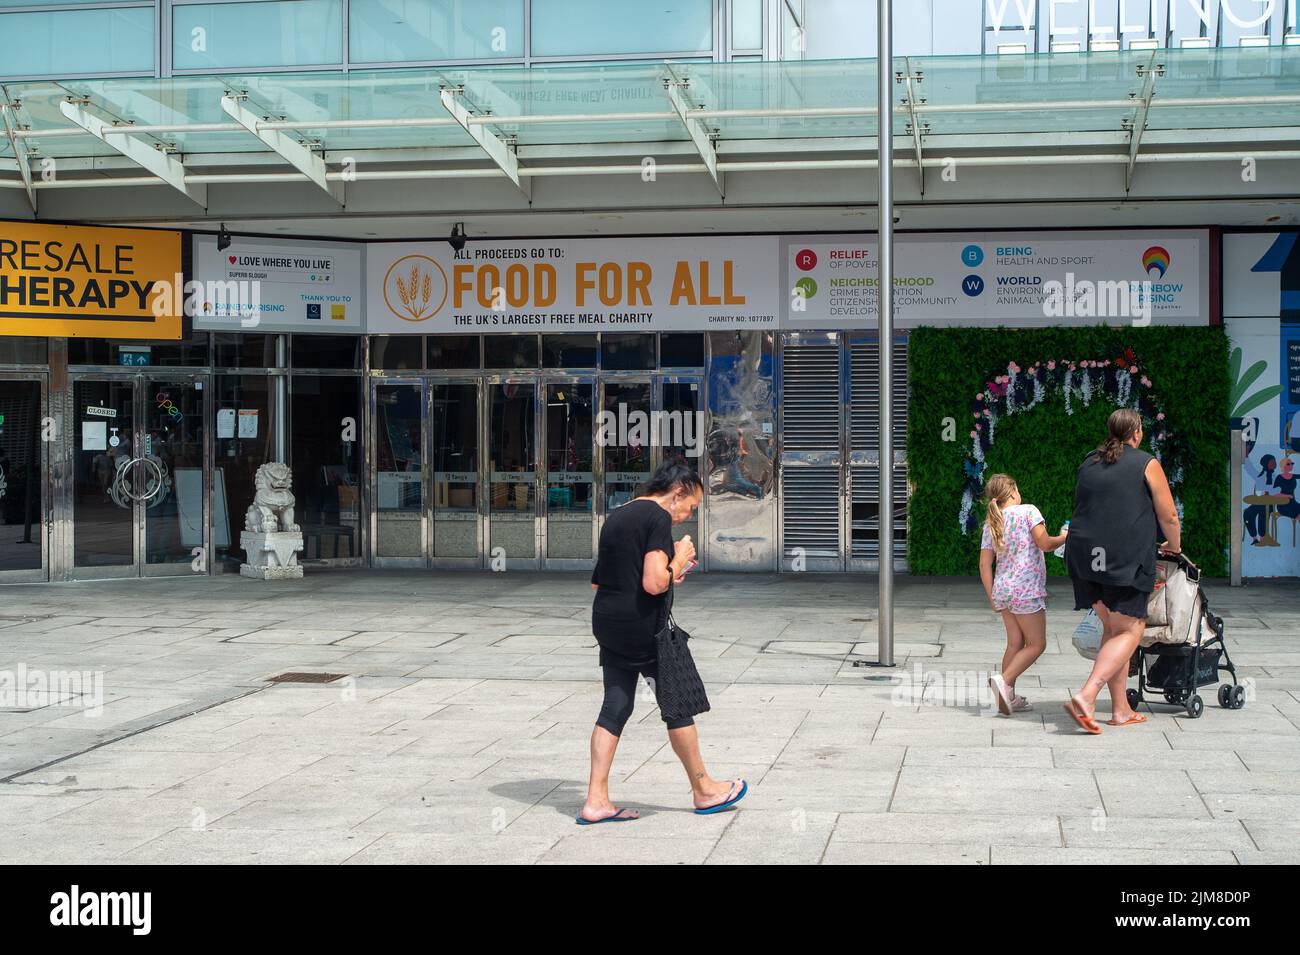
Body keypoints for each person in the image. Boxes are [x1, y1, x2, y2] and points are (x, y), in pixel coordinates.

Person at [578, 461, 747, 824]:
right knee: (677, 702)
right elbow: (654, 584)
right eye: (692, 506)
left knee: (616, 705)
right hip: (643, 627)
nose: (688, 515)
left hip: (608, 622)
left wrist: (670, 571)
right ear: (678, 492)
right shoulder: (656, 517)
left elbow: (600, 581)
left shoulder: (619, 514)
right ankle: (704, 789)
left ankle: (596, 800)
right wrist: (679, 559)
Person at [1064, 408, 1181, 733]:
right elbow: (1169, 515)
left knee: (1113, 629)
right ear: (1137, 432)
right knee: (1131, 630)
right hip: (1124, 557)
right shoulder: (1146, 463)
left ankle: (1121, 710)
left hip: (1084, 555)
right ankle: (1087, 696)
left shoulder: (1090, 460)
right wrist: (1175, 545)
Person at [979, 474, 1068, 716]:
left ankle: (1008, 697)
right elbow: (1045, 544)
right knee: (1037, 644)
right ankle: (1004, 681)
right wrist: (1064, 538)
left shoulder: (991, 523)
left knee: (1015, 643)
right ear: (1013, 491)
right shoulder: (1028, 511)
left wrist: (992, 597)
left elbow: (985, 565)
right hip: (1026, 590)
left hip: (1004, 590)